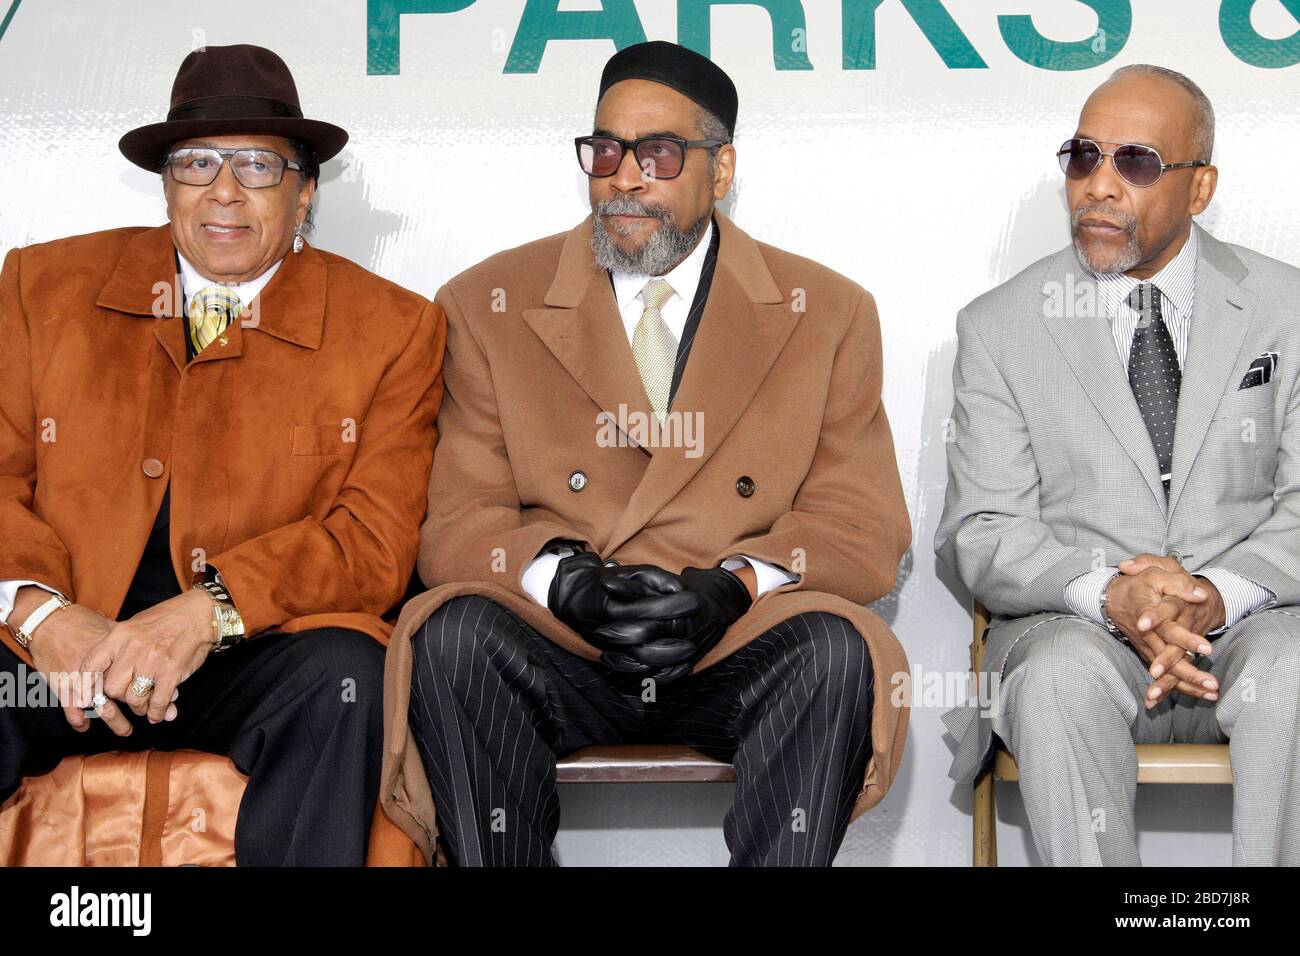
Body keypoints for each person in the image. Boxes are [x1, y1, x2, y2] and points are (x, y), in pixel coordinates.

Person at [381, 40, 912, 867]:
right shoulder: (489, 303)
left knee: (834, 652)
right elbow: (458, 519)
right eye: (605, 151)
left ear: (720, 168)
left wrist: (732, 588)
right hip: (563, 645)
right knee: (452, 637)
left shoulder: (828, 311)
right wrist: (566, 581)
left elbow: (861, 525)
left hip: (732, 647)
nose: (624, 178)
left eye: (658, 153)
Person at [0, 44, 445, 865]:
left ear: (306, 192)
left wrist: (211, 610)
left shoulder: (393, 327)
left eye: (258, 166)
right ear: (166, 186)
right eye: (196, 163)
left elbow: (373, 541)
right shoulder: (41, 286)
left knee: (348, 676)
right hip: (64, 656)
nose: (224, 191)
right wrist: (42, 617)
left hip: (246, 657)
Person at [937, 64, 1300, 865]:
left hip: (1256, 627)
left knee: (1296, 672)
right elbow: (983, 528)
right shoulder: (1000, 327)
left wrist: (1215, 594)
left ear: (1199, 187)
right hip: (1079, 633)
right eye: (1082, 157)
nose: (1098, 186)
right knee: (1056, 678)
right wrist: (1112, 594)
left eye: (1135, 161)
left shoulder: (1289, 309)